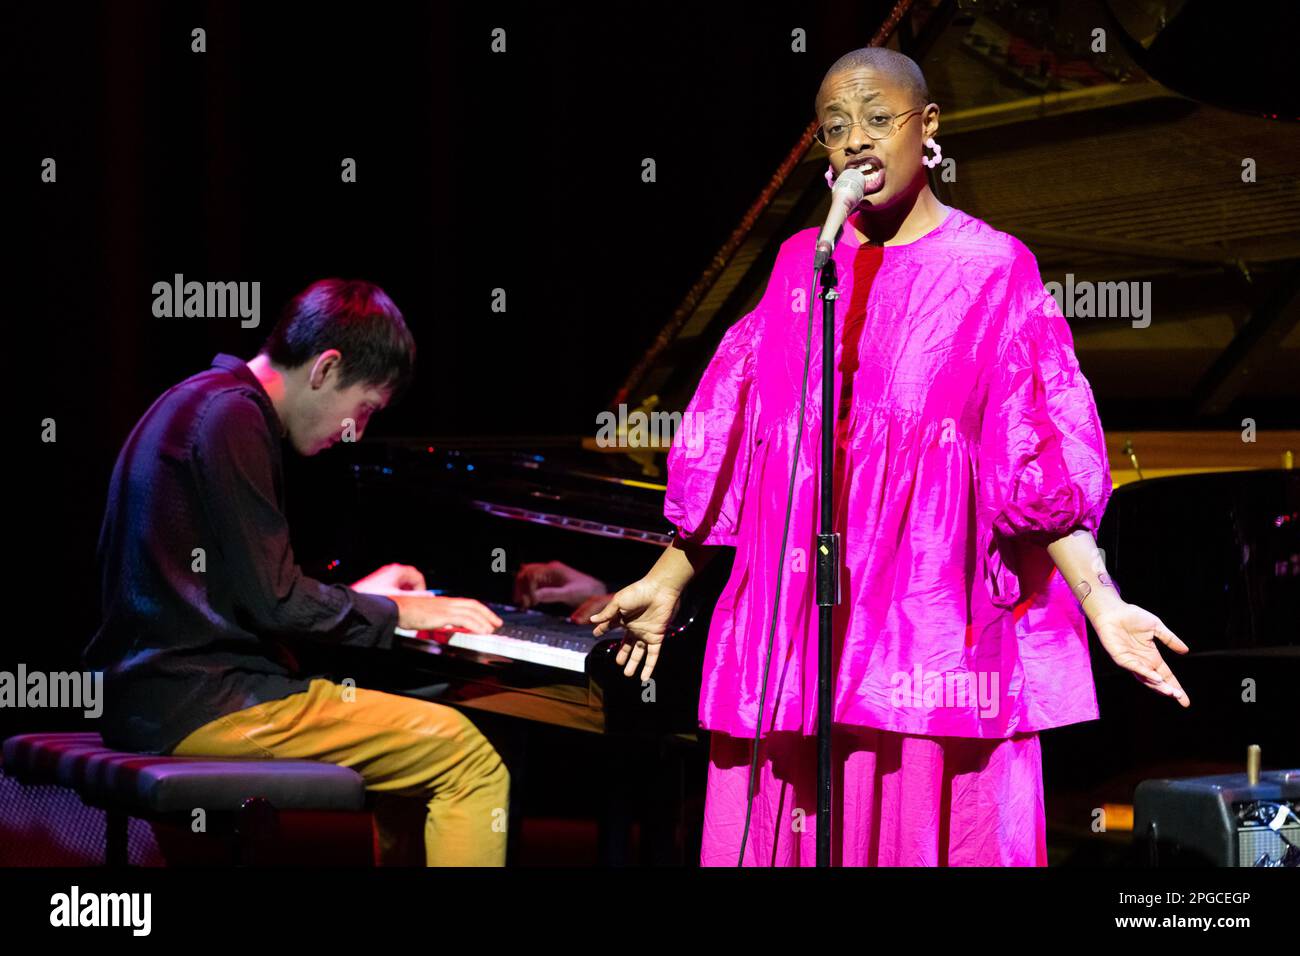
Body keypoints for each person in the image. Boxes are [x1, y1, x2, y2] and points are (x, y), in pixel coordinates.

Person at [591, 47, 1190, 867]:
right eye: (836, 129)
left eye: (879, 119)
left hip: (931, 636)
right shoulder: (805, 262)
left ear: (929, 126)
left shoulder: (993, 269)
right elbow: (742, 433)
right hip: (800, 629)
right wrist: (669, 575)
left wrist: (1103, 603)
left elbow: (1034, 454)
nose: (857, 143)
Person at [84, 278, 510, 866]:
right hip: (204, 702)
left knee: (416, 749)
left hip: (150, 697)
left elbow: (237, 589)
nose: (355, 432)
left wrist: (355, 596)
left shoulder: (196, 401)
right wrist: (401, 610)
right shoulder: (233, 417)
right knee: (466, 756)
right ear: (325, 367)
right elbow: (277, 603)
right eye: (364, 408)